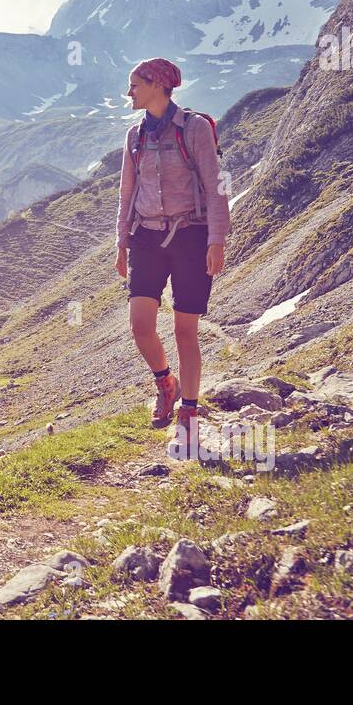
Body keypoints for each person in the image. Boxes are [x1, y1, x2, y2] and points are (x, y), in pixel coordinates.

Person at [114, 58, 230, 459]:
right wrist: (121, 244)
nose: (129, 93)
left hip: (191, 236)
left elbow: (216, 187)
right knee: (140, 324)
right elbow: (126, 192)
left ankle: (190, 412)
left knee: (185, 331)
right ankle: (166, 383)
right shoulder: (134, 136)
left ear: (158, 85)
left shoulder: (194, 129)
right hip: (146, 235)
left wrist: (217, 240)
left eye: (134, 85)